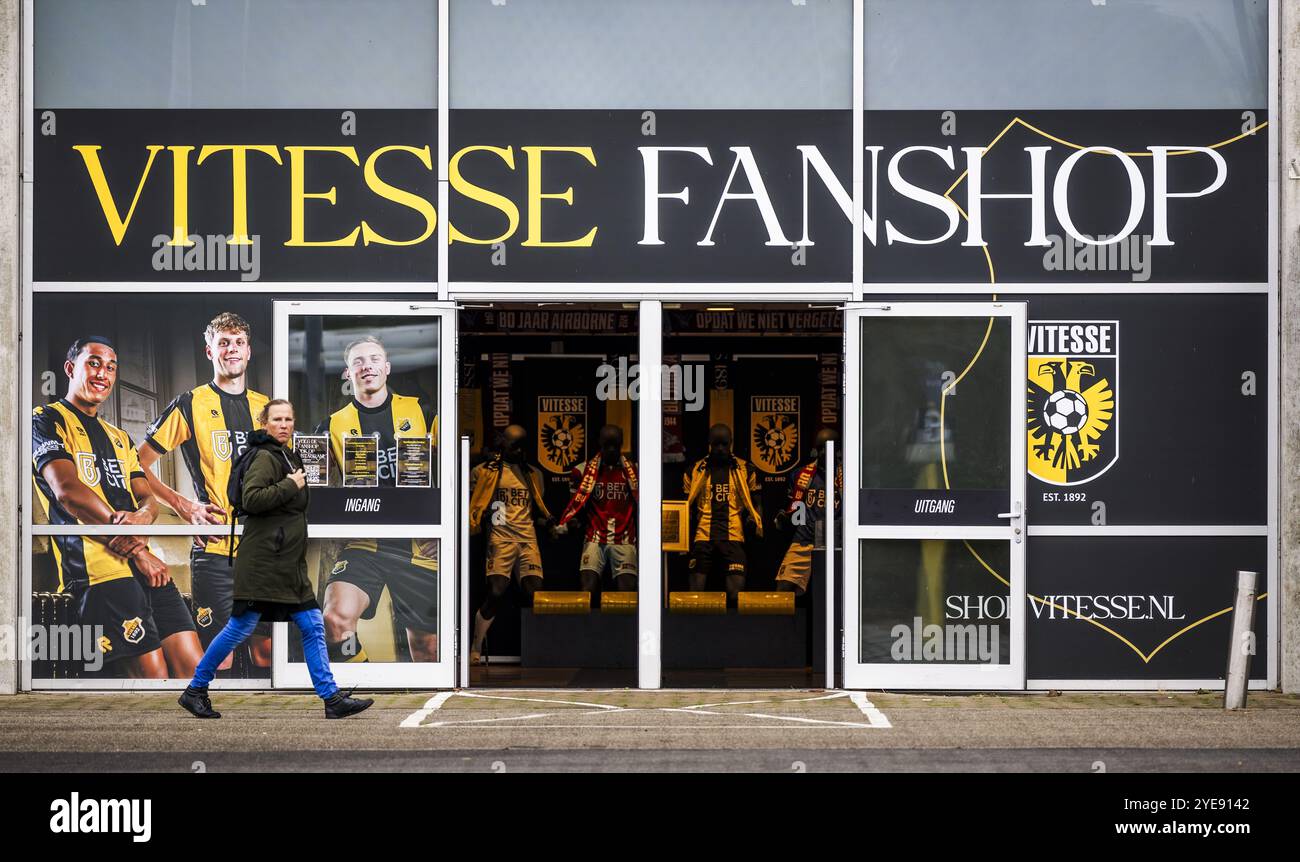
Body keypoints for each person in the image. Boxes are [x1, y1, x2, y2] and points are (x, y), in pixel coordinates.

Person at [178, 399, 372, 719]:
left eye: (288, 419)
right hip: (264, 562)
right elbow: (252, 500)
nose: (283, 425)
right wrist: (289, 484)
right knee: (240, 629)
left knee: (312, 626)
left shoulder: (286, 454)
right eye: (277, 419)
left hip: (286, 564)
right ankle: (195, 689)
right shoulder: (266, 457)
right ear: (264, 423)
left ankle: (331, 698)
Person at [32, 336, 202, 678]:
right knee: (154, 681)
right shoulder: (46, 420)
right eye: (93, 363)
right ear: (70, 368)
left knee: (195, 672)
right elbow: (68, 492)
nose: (103, 374)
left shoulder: (120, 437)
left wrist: (142, 516)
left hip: (148, 567)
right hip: (98, 574)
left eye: (110, 367)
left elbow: (147, 498)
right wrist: (138, 549)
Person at [139, 312, 272, 674]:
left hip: (261, 550)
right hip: (214, 551)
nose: (232, 349)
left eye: (239, 342)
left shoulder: (266, 408)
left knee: (267, 652)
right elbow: (137, 462)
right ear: (209, 351)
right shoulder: (189, 404)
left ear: (248, 352)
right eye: (224, 343)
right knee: (220, 655)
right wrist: (183, 505)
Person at [319, 335, 439, 664]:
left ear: (386, 368)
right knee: (334, 618)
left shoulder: (421, 410)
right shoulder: (332, 425)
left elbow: (455, 472)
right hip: (366, 544)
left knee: (428, 650)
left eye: (374, 359)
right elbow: (312, 483)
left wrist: (448, 530)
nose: (366, 365)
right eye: (358, 361)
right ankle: (361, 683)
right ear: (347, 373)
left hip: (419, 545)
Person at [467, 424, 555, 664]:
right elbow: (475, 504)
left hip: (527, 538)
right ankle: (476, 646)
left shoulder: (534, 474)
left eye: (522, 447)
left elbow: (534, 510)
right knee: (496, 592)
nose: (518, 451)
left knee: (535, 593)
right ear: (503, 443)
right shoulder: (484, 471)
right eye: (514, 445)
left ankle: (540, 651)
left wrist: (549, 524)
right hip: (501, 537)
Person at [683, 423, 763, 604]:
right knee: (694, 596)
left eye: (724, 444)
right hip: (703, 535)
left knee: (735, 594)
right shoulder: (694, 470)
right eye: (716, 444)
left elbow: (757, 503)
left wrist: (756, 520)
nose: (720, 449)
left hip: (733, 535)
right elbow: (685, 508)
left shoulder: (746, 469)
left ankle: (732, 630)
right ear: (709, 443)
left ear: (731, 443)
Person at [557, 425, 638, 597]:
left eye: (614, 445)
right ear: (599, 443)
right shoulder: (581, 471)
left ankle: (621, 625)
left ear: (621, 444)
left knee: (627, 594)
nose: (610, 450)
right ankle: (589, 625)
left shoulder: (634, 471)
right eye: (606, 445)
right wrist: (571, 522)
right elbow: (575, 506)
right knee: (587, 590)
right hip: (594, 537)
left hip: (624, 538)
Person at [773, 428, 841, 594]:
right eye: (820, 448)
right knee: (783, 588)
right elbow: (798, 512)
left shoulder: (849, 474)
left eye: (829, 447)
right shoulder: (801, 474)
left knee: (834, 592)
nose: (824, 452)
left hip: (836, 541)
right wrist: (786, 518)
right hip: (805, 537)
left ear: (838, 448)